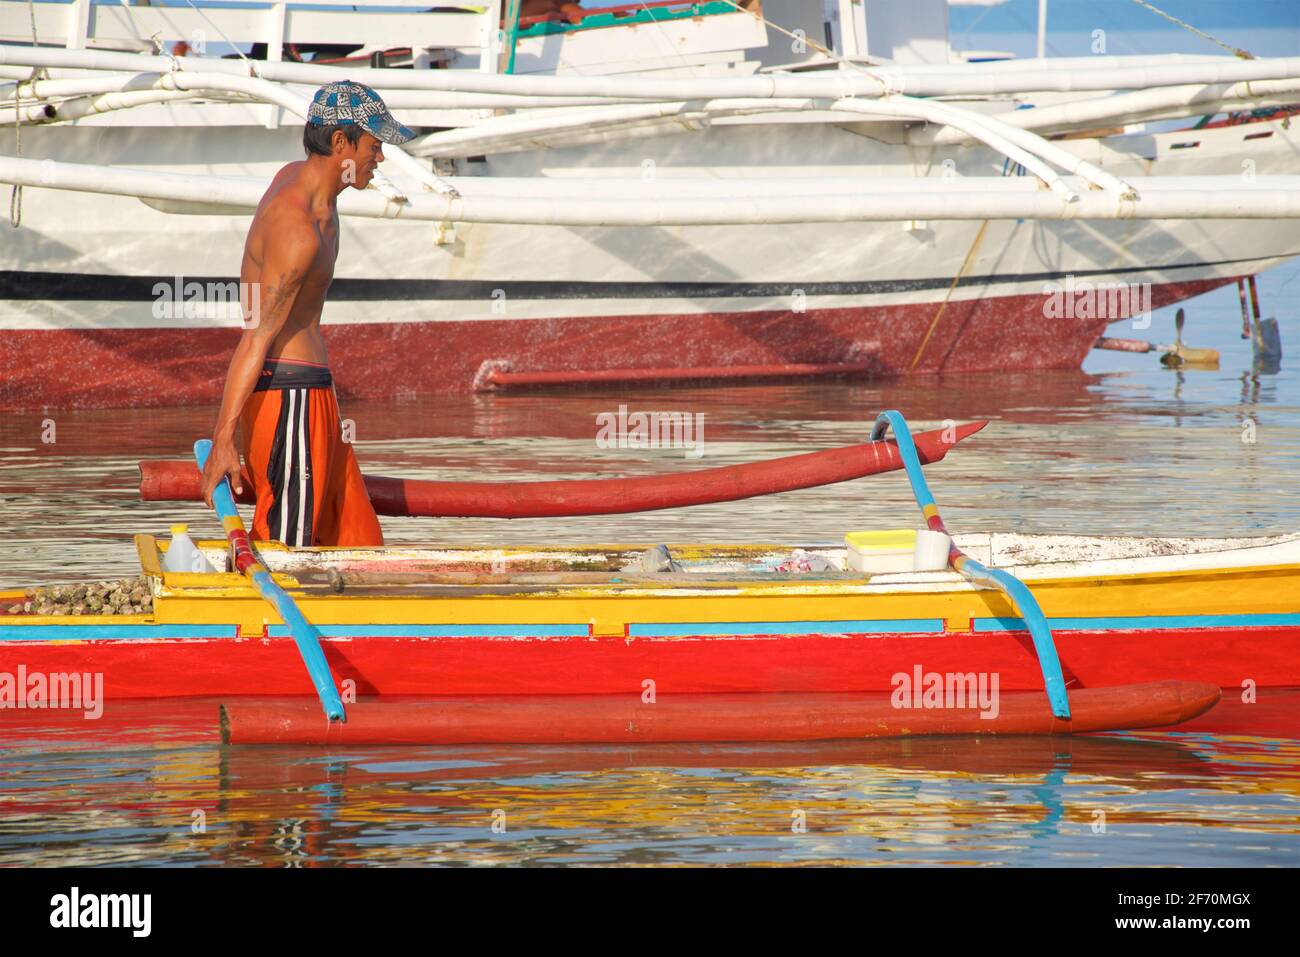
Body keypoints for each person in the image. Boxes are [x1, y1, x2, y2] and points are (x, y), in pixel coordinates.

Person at [199, 81, 415, 547]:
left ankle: (359, 620)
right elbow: (256, 335)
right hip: (290, 398)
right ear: (341, 143)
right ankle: (265, 620)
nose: (380, 159)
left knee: (351, 535)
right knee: (291, 545)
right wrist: (223, 438)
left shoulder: (298, 179)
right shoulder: (298, 231)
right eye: (375, 146)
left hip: (308, 396)